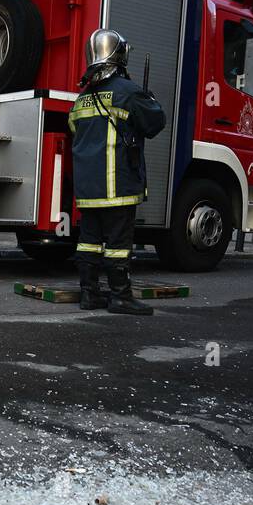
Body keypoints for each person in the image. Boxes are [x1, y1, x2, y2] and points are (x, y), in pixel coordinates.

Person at [68, 28, 165, 314]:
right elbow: (155, 122)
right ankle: (120, 296)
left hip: (89, 189)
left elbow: (76, 130)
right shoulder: (128, 92)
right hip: (117, 185)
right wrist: (148, 99)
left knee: (89, 242)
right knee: (118, 245)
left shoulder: (81, 98)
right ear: (120, 55)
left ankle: (89, 294)